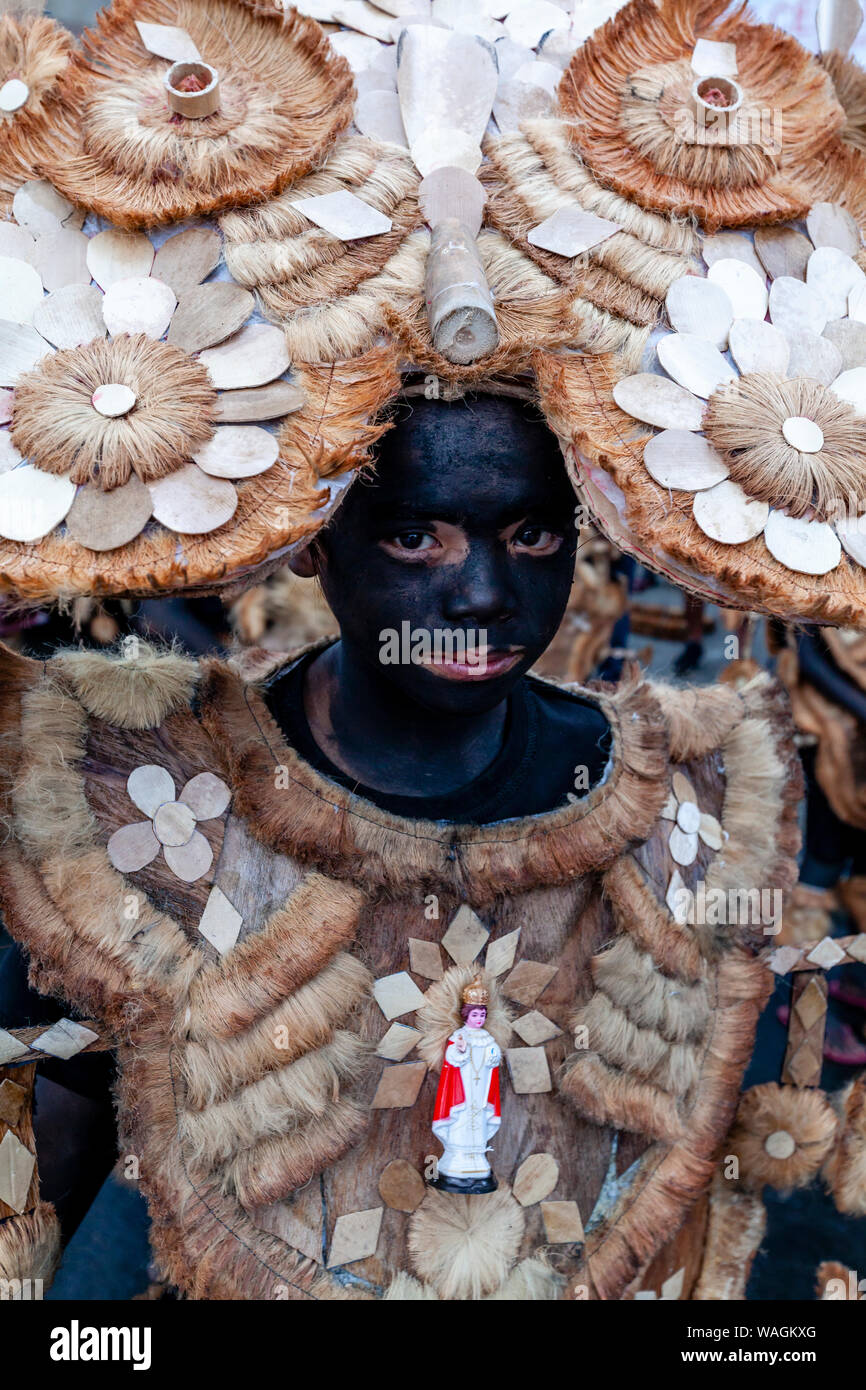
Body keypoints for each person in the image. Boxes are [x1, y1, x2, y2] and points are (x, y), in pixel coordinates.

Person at [0, 388, 800, 1301]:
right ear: (312, 538)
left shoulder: (693, 792)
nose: (485, 593)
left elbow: (662, 1176)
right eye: (416, 536)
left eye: (534, 534)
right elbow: (46, 1137)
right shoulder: (148, 807)